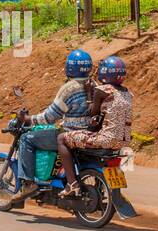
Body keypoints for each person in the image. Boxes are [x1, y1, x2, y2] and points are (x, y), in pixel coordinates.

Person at [15, 50, 95, 195]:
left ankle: (28, 184)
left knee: (26, 139)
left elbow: (50, 117)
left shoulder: (69, 88)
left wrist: (28, 119)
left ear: (69, 68)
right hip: (90, 132)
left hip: (70, 133)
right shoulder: (94, 84)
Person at [57, 56, 133, 197]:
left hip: (106, 140)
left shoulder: (102, 90)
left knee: (62, 139)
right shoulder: (126, 92)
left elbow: (92, 111)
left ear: (105, 73)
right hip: (123, 142)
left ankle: (72, 183)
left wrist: (88, 92)